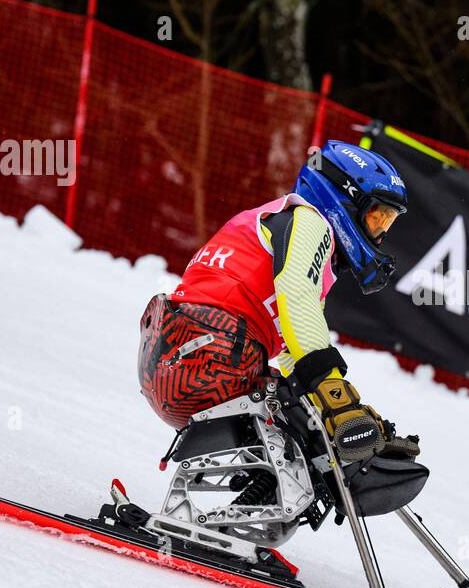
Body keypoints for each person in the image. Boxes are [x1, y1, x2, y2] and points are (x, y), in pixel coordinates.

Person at [137, 140, 412, 464]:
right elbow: (298, 299)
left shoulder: (278, 221)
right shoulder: (309, 222)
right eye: (377, 217)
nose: (380, 234)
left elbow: (290, 342)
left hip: (174, 358)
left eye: (387, 223)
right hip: (212, 354)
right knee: (308, 430)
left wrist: (324, 404)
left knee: (305, 427)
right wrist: (336, 397)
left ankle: (256, 505)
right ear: (343, 197)